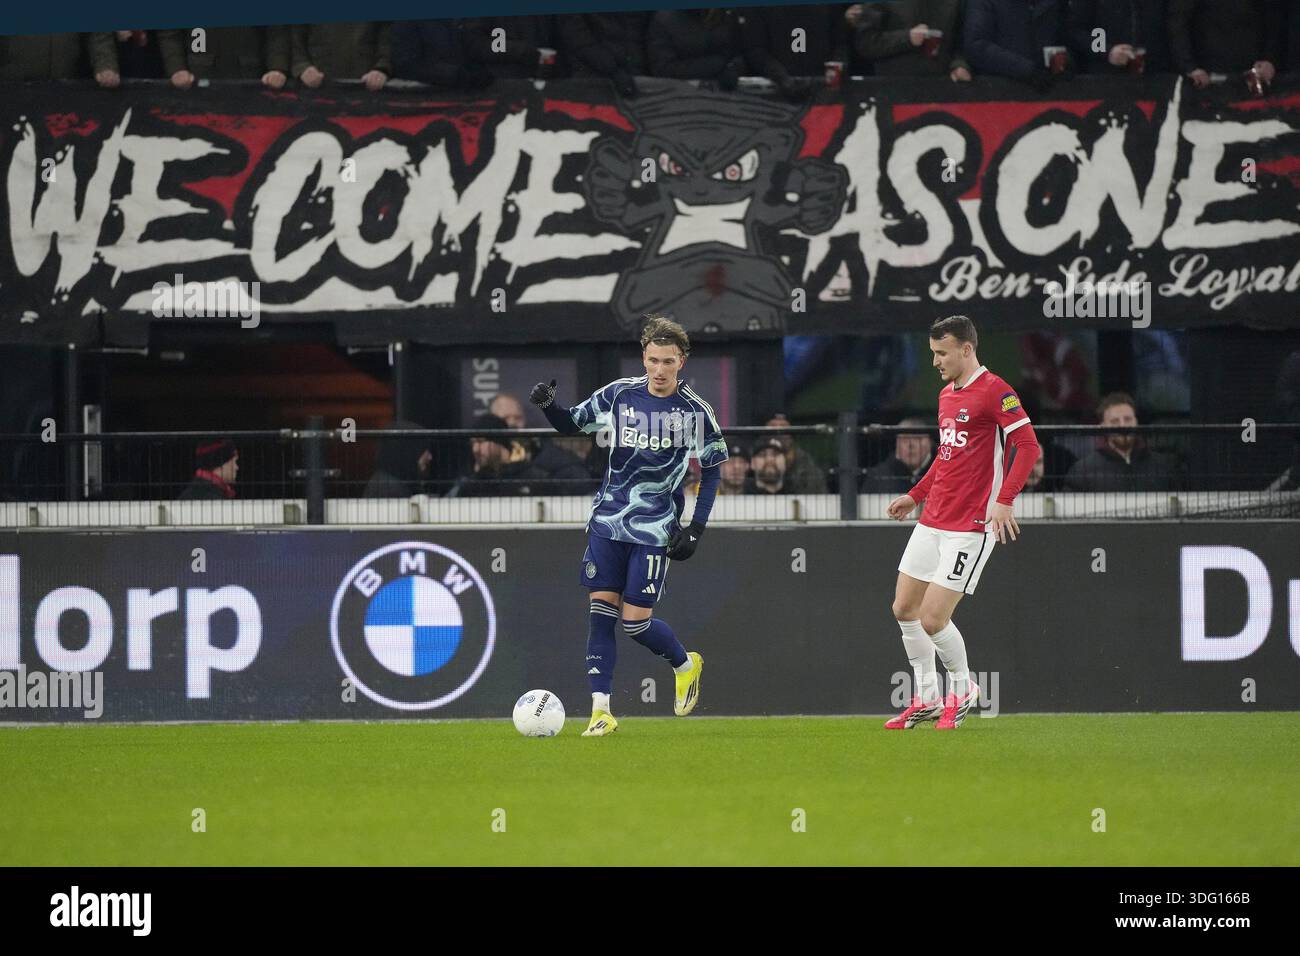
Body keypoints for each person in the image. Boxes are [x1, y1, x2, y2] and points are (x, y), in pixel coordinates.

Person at [530, 315, 727, 736]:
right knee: (600, 615)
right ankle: (600, 710)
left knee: (635, 623)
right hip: (607, 521)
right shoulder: (619, 396)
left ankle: (685, 663)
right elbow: (571, 424)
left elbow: (711, 470)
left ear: (682, 362)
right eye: (652, 360)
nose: (659, 369)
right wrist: (548, 406)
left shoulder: (695, 412)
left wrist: (696, 528)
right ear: (643, 357)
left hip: (656, 528)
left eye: (668, 362)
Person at [884, 315, 1040, 731]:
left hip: (970, 526)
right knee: (904, 608)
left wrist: (1005, 500)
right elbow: (946, 455)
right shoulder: (946, 395)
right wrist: (915, 496)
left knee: (934, 618)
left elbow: (1027, 445)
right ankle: (927, 698)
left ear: (966, 350)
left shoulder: (996, 391)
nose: (935, 361)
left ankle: (963, 687)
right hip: (933, 518)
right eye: (932, 353)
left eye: (941, 353)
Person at [1062, 392, 1174, 491]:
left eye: (1128, 419)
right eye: (1115, 421)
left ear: (1136, 422)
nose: (1122, 425)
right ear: (1102, 427)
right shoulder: (1083, 470)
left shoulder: (1163, 466)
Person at [1168, 0, 1283, 90]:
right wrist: (1190, 67)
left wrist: (1270, 59)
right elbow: (1178, 22)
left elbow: (1273, 15)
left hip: (1254, 73)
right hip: (1207, 76)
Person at [845, 1, 972, 81]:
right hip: (894, 90)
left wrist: (959, 64)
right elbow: (866, 43)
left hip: (942, 87)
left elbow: (961, 41)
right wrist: (907, 38)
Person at [446, 414, 549, 497]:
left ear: (499, 442)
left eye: (481, 442)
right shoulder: (471, 486)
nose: (475, 449)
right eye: (473, 443)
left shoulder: (535, 479)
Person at [291, 22, 391, 90]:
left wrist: (381, 68)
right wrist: (303, 67)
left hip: (367, 86)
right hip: (316, 86)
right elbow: (294, 39)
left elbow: (389, 38)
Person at [861, 417, 935, 495]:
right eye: (905, 439)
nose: (911, 445)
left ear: (929, 442)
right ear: (897, 443)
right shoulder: (876, 478)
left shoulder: (944, 474)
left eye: (917, 439)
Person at [764, 413, 827, 493]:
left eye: (783, 427)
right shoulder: (753, 458)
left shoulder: (805, 462)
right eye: (773, 427)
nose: (778, 432)